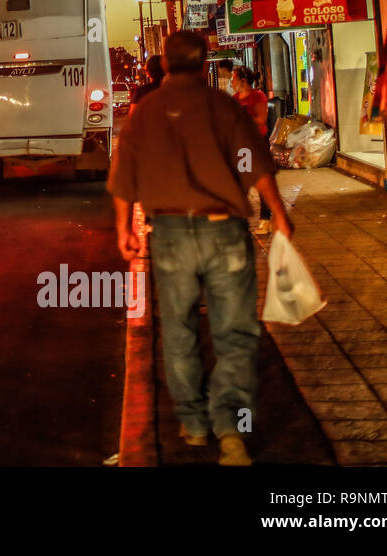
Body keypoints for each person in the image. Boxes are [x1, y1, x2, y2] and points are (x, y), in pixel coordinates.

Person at [108, 30, 293, 467]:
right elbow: (254, 163)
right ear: (205, 61)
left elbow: (123, 176)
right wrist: (278, 213)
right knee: (235, 330)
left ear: (166, 65)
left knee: (179, 329)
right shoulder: (223, 107)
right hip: (223, 229)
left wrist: (124, 231)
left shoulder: (145, 112)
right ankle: (228, 427)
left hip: (170, 233)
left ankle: (193, 423)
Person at [232, 65, 274, 234]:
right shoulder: (235, 98)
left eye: (234, 79)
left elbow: (261, 119)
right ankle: (242, 219)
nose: (232, 82)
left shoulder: (257, 96)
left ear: (243, 80)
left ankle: (266, 218)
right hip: (243, 145)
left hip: (257, 142)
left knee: (260, 181)